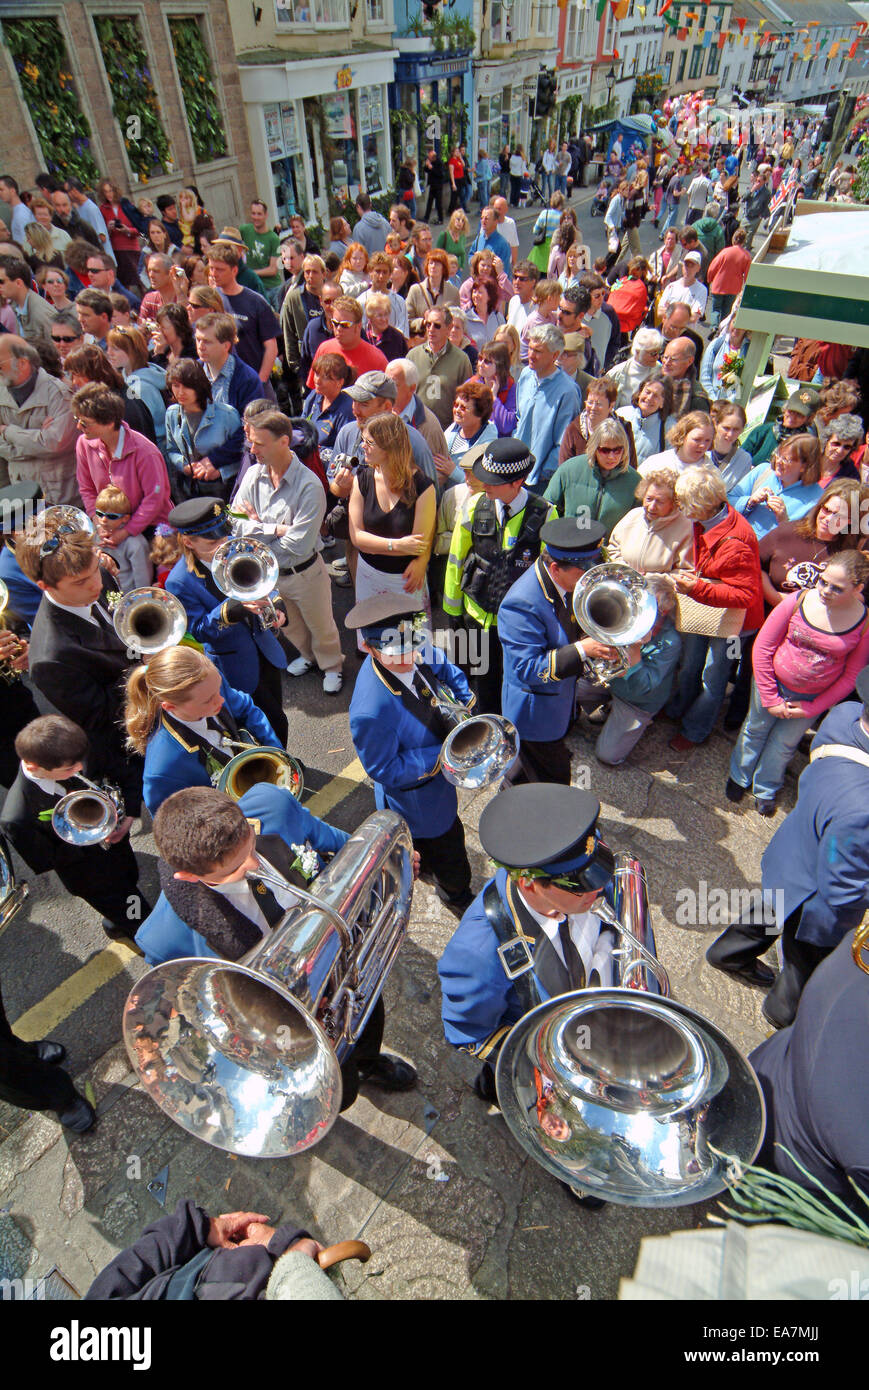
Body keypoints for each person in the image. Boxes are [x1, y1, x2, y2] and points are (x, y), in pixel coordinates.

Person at [438, 783, 619, 1112]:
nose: (600, 889)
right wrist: (549, 1062)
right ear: (529, 882)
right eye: (582, 889)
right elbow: (468, 1033)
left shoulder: (576, 882)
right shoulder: (476, 954)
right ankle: (493, 1089)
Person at [709, 667, 869, 1027]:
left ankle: (728, 954)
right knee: (804, 961)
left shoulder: (844, 717)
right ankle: (781, 1012)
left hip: (791, 853)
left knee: (766, 911)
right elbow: (841, 890)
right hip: (816, 900)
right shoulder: (864, 810)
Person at [347, 594, 473, 911]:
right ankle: (456, 895)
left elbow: (448, 670)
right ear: (369, 649)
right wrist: (446, 751)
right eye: (395, 651)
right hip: (420, 801)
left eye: (411, 645)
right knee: (449, 853)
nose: (409, 656)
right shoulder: (369, 710)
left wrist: (464, 705)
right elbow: (384, 769)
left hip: (438, 783)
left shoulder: (413, 647)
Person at [17, 516, 144, 818]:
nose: (96, 584)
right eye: (81, 582)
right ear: (44, 585)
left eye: (94, 572)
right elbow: (104, 722)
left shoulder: (95, 572)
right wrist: (145, 668)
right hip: (132, 736)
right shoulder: (51, 657)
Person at [726, 551, 869, 818]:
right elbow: (763, 646)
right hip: (771, 682)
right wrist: (769, 696)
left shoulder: (864, 624)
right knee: (754, 730)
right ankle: (739, 776)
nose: (825, 590)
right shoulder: (799, 599)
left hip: (812, 697)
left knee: (784, 744)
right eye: (823, 581)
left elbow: (851, 676)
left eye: (837, 588)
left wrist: (812, 707)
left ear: (858, 589)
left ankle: (766, 788)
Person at [1, 713, 149, 949]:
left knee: (130, 879)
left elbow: (126, 774)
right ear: (33, 766)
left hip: (118, 847)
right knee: (133, 909)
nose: (81, 769)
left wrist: (129, 814)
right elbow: (44, 861)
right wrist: (87, 831)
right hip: (90, 876)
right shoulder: (16, 817)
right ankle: (145, 935)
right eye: (70, 768)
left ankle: (116, 923)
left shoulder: (79, 750)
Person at [234, 409, 343, 695]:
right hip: (270, 574)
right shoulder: (253, 475)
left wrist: (256, 524)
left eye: (259, 443)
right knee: (291, 625)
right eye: (251, 442)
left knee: (321, 625)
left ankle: (332, 666)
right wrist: (275, 529)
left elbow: (299, 545)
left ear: (284, 441)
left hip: (305, 572)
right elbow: (235, 522)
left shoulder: (309, 485)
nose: (252, 449)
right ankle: (308, 657)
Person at [498, 516, 612, 784]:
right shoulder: (521, 604)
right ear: (555, 567)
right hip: (535, 715)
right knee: (549, 780)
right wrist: (583, 649)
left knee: (525, 772)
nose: (590, 577)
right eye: (584, 570)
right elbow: (527, 669)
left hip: (558, 702)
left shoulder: (568, 582)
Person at [443, 439, 554, 712]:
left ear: (518, 481)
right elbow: (456, 561)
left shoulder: (546, 514)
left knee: (515, 684)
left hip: (517, 626)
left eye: (493, 480)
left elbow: (549, 580)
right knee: (479, 686)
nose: (485, 485)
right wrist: (453, 613)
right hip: (475, 619)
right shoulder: (474, 507)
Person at [164, 499, 288, 742]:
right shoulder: (179, 581)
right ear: (189, 542)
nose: (224, 544)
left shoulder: (236, 550)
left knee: (278, 714)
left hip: (265, 649)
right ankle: (276, 761)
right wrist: (230, 610)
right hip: (234, 665)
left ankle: (283, 755)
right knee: (261, 721)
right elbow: (198, 631)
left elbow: (262, 581)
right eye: (213, 542)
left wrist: (277, 604)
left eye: (225, 536)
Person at [666, 466, 764, 751]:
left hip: (734, 625)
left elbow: (745, 594)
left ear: (701, 505)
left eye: (684, 502)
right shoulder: (710, 519)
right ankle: (679, 708)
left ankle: (696, 729)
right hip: (709, 611)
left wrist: (695, 588)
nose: (681, 507)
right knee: (691, 666)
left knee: (714, 677)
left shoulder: (736, 541)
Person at [124, 645, 281, 815]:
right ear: (170, 706)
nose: (220, 700)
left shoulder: (209, 683)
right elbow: (176, 828)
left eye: (218, 689)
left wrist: (276, 754)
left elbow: (245, 707)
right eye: (208, 701)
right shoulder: (163, 771)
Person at [575, 573, 682, 765]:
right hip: (612, 682)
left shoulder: (671, 641)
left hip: (637, 701)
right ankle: (602, 709)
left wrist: (634, 650)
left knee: (608, 756)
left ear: (663, 612)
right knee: (569, 689)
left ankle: (633, 719)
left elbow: (643, 688)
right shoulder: (625, 616)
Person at [73, 382, 170, 533]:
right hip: (108, 524)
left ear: (109, 423)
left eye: (85, 423)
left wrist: (127, 531)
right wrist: (98, 524)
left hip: (152, 528)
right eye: (77, 419)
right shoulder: (83, 444)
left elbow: (154, 499)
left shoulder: (145, 452)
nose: (79, 427)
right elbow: (87, 489)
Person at [0, 334, 79, 503]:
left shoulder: (58, 394)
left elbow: (54, 443)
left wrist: (9, 432)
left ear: (22, 363)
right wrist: (37, 441)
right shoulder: (1, 393)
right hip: (19, 498)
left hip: (58, 498)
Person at [164, 359, 243, 502]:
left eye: (187, 386)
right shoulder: (171, 414)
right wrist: (184, 465)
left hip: (224, 489)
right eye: (176, 386)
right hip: (190, 490)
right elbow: (172, 450)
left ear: (198, 386)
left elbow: (243, 455)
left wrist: (221, 472)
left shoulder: (227, 415)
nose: (181, 392)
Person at [545, 419, 640, 539]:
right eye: (605, 450)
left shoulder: (635, 482)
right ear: (595, 448)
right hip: (569, 548)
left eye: (617, 450)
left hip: (611, 553)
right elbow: (547, 508)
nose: (611, 456)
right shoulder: (569, 470)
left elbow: (638, 527)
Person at [515, 324, 581, 493]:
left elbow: (564, 442)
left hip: (541, 481)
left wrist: (544, 473)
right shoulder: (525, 376)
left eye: (538, 351)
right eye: (530, 348)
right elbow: (519, 418)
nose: (531, 355)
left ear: (554, 355)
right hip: (516, 472)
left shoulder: (568, 391)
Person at [207, 242, 280, 387]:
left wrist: (260, 381)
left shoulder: (255, 301)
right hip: (222, 385)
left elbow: (271, 347)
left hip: (253, 383)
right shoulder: (210, 300)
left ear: (234, 270)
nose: (214, 274)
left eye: (220, 269)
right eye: (211, 268)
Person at [728, 433, 823, 541]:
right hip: (733, 540)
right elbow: (727, 502)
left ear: (804, 466)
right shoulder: (763, 471)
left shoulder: (817, 498)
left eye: (786, 460)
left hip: (764, 554)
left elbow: (807, 542)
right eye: (778, 455)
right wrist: (750, 501)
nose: (778, 462)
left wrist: (784, 521)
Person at [607, 468, 693, 575]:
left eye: (660, 502)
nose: (652, 507)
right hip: (624, 583)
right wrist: (625, 570)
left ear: (673, 503)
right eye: (649, 499)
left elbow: (686, 572)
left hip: (660, 590)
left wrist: (651, 580)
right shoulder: (633, 516)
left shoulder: (685, 528)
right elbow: (613, 548)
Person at [407, 307, 472, 431]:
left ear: (448, 328)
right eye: (428, 324)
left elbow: (466, 399)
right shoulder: (412, 356)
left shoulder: (461, 360)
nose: (431, 329)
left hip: (447, 430)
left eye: (437, 326)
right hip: (416, 428)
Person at [105, 325, 167, 449]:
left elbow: (141, 429)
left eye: (116, 349)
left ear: (132, 352)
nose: (109, 353)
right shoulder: (127, 379)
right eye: (109, 347)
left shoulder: (140, 388)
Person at [307, 294, 387, 387]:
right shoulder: (324, 349)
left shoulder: (377, 359)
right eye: (335, 323)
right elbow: (313, 388)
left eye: (345, 324)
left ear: (358, 326)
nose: (339, 328)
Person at [741, 386, 820, 467]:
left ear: (809, 418)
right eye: (791, 411)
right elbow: (740, 457)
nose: (792, 417)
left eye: (800, 415)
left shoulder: (807, 445)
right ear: (785, 409)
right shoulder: (763, 431)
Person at [93, 483, 151, 592]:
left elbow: (142, 578)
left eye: (112, 516)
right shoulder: (95, 536)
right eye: (100, 514)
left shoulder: (135, 543)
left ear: (125, 518)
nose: (104, 519)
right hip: (104, 592)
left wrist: (139, 598)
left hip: (127, 595)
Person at [615, 372, 677, 465]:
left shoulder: (670, 428)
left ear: (663, 402)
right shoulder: (621, 415)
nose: (649, 398)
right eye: (647, 392)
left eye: (656, 396)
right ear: (639, 393)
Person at [0, 255, 57, 347]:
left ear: (18, 283)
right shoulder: (17, 305)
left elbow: (55, 352)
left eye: (1, 281)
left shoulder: (40, 314)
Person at [303, 351, 354, 450]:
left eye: (325, 377)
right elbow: (301, 425)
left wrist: (317, 451)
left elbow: (344, 449)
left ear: (340, 382)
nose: (317, 380)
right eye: (317, 374)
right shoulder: (314, 395)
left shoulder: (347, 410)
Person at [607, 327, 665, 409]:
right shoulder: (617, 373)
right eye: (653, 353)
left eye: (659, 352)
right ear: (638, 352)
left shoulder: (660, 370)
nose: (657, 356)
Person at [357, 252, 410, 337]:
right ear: (370, 272)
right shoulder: (361, 301)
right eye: (377, 271)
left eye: (385, 272)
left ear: (390, 274)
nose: (381, 276)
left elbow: (403, 334)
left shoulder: (399, 302)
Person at [706, 229, 751, 329]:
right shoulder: (746, 256)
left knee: (715, 309)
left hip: (719, 285)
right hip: (733, 288)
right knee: (726, 310)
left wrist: (709, 279)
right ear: (744, 241)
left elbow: (713, 267)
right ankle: (722, 329)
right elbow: (748, 275)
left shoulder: (725, 252)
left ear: (733, 239)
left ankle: (714, 326)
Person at [239, 200, 282, 305]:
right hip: (254, 286)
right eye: (253, 213)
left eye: (259, 214)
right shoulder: (245, 230)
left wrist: (250, 272)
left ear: (266, 215)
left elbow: (273, 270)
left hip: (272, 288)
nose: (256, 217)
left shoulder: (273, 238)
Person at [473, 340, 517, 438]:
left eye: (487, 361)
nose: (481, 364)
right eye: (480, 358)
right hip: (474, 442)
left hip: (499, 445)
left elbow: (507, 426)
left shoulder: (511, 389)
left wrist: (493, 398)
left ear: (500, 365)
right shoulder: (472, 384)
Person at [699, 322, 748, 404]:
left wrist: (728, 403)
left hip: (734, 405)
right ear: (729, 324)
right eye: (734, 322)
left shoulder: (748, 350)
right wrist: (713, 400)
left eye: (741, 325)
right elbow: (705, 377)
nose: (737, 328)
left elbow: (746, 382)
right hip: (711, 403)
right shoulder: (716, 344)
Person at [406, 249, 459, 321]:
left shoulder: (453, 292)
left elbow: (457, 320)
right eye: (431, 263)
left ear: (444, 268)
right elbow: (407, 319)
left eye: (437, 264)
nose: (433, 266)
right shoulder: (415, 290)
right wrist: (423, 322)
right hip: (422, 331)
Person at [437, 209, 470, 273]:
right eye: (458, 219)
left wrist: (461, 266)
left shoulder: (462, 236)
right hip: (446, 269)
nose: (460, 222)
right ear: (453, 220)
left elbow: (462, 253)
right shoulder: (444, 235)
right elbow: (438, 253)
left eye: (463, 221)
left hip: (457, 270)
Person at [423, 148, 448, 225]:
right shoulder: (431, 162)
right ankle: (426, 218)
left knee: (438, 203)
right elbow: (426, 170)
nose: (429, 158)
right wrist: (427, 166)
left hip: (438, 186)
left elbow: (440, 174)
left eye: (430, 157)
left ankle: (440, 219)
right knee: (429, 202)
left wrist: (431, 168)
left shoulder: (439, 163)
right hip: (432, 185)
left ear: (433, 156)